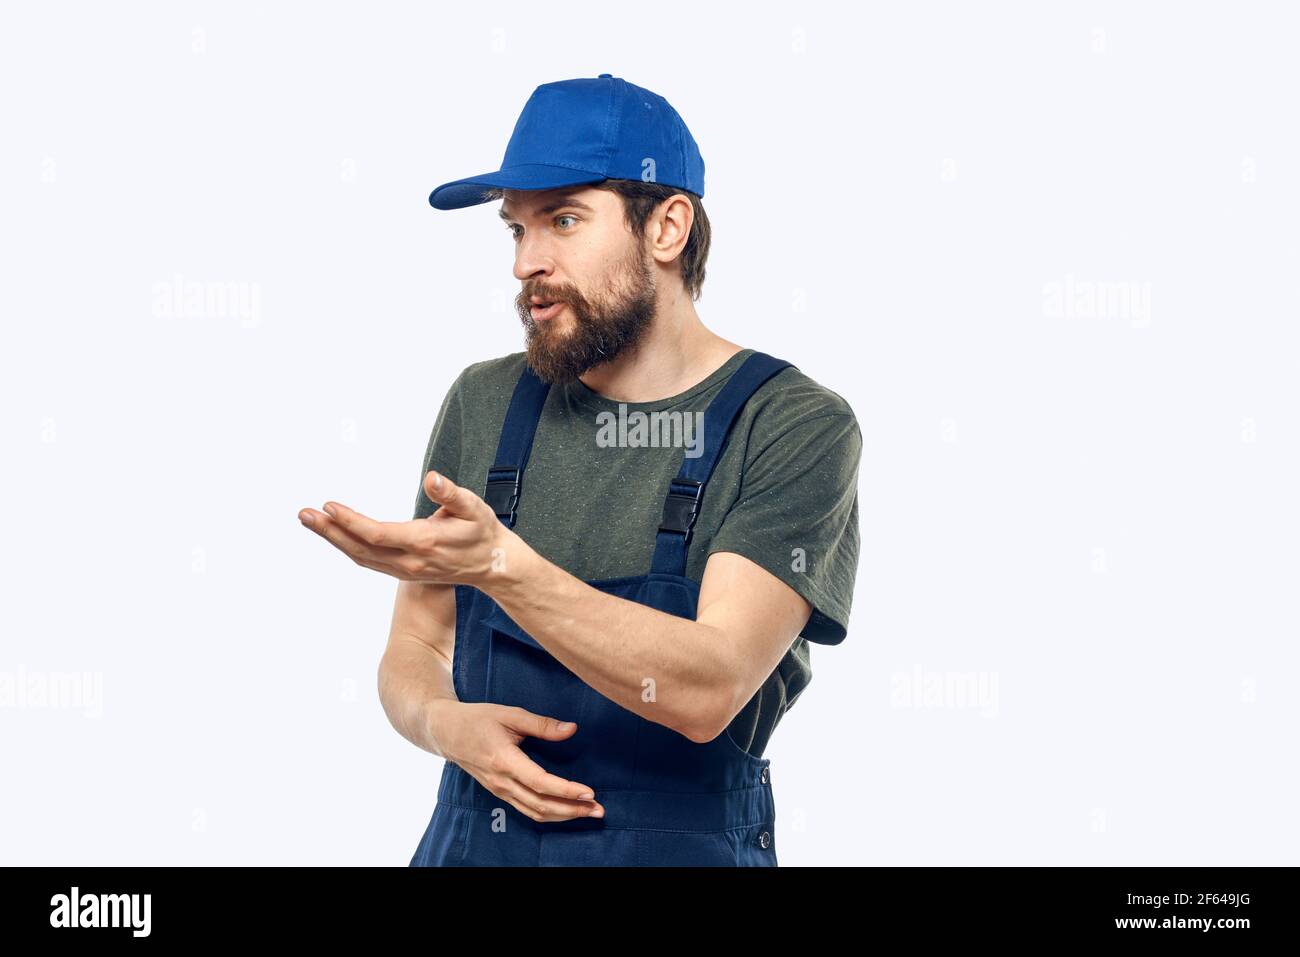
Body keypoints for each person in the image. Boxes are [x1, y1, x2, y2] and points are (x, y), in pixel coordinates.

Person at [298, 74, 862, 866]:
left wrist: (501, 566)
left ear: (667, 227)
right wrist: (440, 722)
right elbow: (415, 644)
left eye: (563, 220)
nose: (528, 263)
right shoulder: (485, 400)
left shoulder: (791, 423)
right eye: (516, 230)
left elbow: (708, 687)